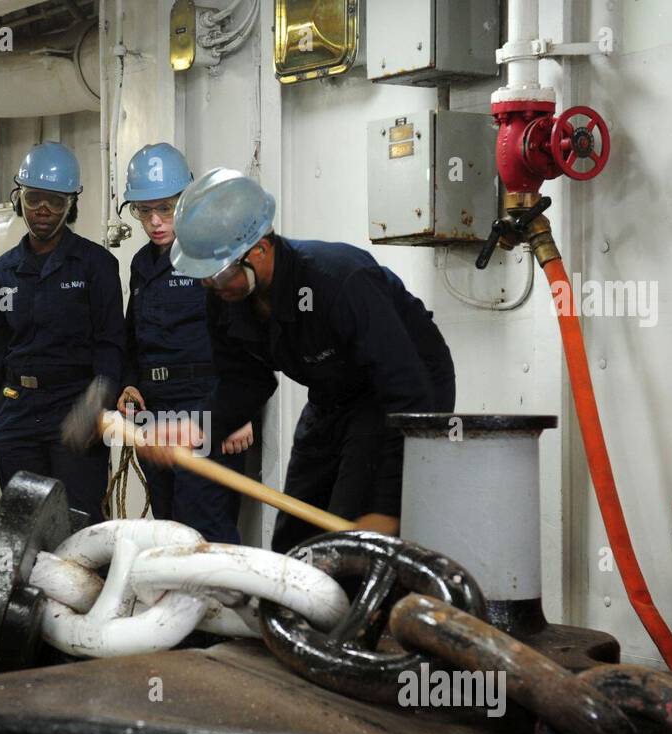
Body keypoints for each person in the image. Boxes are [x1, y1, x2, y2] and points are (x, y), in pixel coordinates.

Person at [156, 168, 455, 554]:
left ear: (260, 250)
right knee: (294, 538)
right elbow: (246, 383)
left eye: (218, 273)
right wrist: (193, 430)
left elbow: (408, 395)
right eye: (204, 277)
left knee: (350, 538)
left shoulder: (340, 279)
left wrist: (386, 507)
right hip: (332, 394)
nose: (210, 286)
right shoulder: (226, 297)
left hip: (404, 389)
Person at [0, 142, 124, 524]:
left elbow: (112, 343)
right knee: (19, 524)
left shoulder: (97, 266)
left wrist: (98, 402)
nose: (43, 210)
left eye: (56, 202)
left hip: (75, 410)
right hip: (16, 413)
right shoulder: (2, 273)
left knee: (78, 526)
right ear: (20, 200)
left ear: (71, 205)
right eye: (34, 198)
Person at [116, 143, 244, 542]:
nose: (155, 221)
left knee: (206, 524)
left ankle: (224, 606)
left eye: (165, 209)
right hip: (155, 408)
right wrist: (130, 383)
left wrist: (239, 412)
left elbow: (243, 337)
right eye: (144, 211)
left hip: (206, 405)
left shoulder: (215, 254)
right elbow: (134, 335)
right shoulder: (141, 264)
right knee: (169, 527)